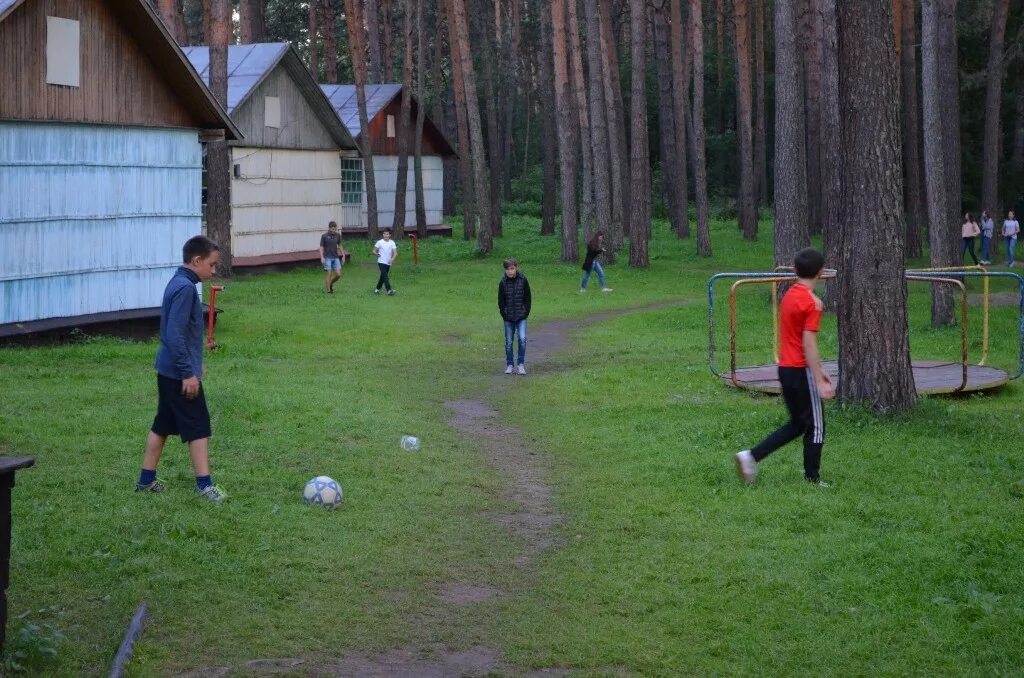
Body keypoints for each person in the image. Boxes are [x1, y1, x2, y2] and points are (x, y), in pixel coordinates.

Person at [734, 247, 834, 487]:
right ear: (821, 272)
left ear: (794, 270)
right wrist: (818, 379)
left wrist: (818, 371)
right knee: (816, 425)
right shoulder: (813, 303)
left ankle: (751, 456)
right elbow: (808, 343)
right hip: (802, 371)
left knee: (798, 424)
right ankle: (812, 479)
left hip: (785, 369)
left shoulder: (789, 295)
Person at [136, 235, 226, 503]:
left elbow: (181, 333)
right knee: (198, 427)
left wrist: (196, 362)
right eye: (211, 265)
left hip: (168, 370)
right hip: (178, 374)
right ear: (196, 261)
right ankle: (205, 486)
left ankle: (145, 480)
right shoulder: (186, 289)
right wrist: (188, 372)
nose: (213, 270)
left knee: (162, 424)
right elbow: (175, 335)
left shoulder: (178, 281)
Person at [498, 258, 532, 375]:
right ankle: (510, 365)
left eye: (512, 268)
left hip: (521, 316)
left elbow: (528, 298)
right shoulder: (503, 282)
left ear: (516, 268)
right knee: (508, 341)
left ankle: (521, 364)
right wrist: (504, 313)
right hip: (508, 318)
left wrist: (525, 312)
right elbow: (501, 301)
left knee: (522, 339)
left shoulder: (523, 280)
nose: (510, 271)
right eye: (508, 269)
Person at [319, 221, 347, 294]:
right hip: (327, 257)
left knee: (338, 274)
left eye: (335, 229)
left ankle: (330, 283)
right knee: (329, 273)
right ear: (329, 228)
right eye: (332, 229)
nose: (333, 231)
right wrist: (322, 257)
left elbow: (340, 245)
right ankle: (328, 291)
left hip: (335, 257)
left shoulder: (338, 235)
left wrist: (343, 255)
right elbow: (321, 247)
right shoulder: (324, 236)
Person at [373, 228, 398, 295]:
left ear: (390, 235)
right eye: (384, 234)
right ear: (383, 234)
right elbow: (374, 251)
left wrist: (392, 259)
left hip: (388, 263)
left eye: (387, 234)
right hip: (381, 262)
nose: (385, 235)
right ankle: (389, 291)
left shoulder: (392, 242)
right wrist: (376, 254)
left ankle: (376, 290)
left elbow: (395, 253)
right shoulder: (379, 242)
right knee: (385, 276)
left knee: (382, 277)